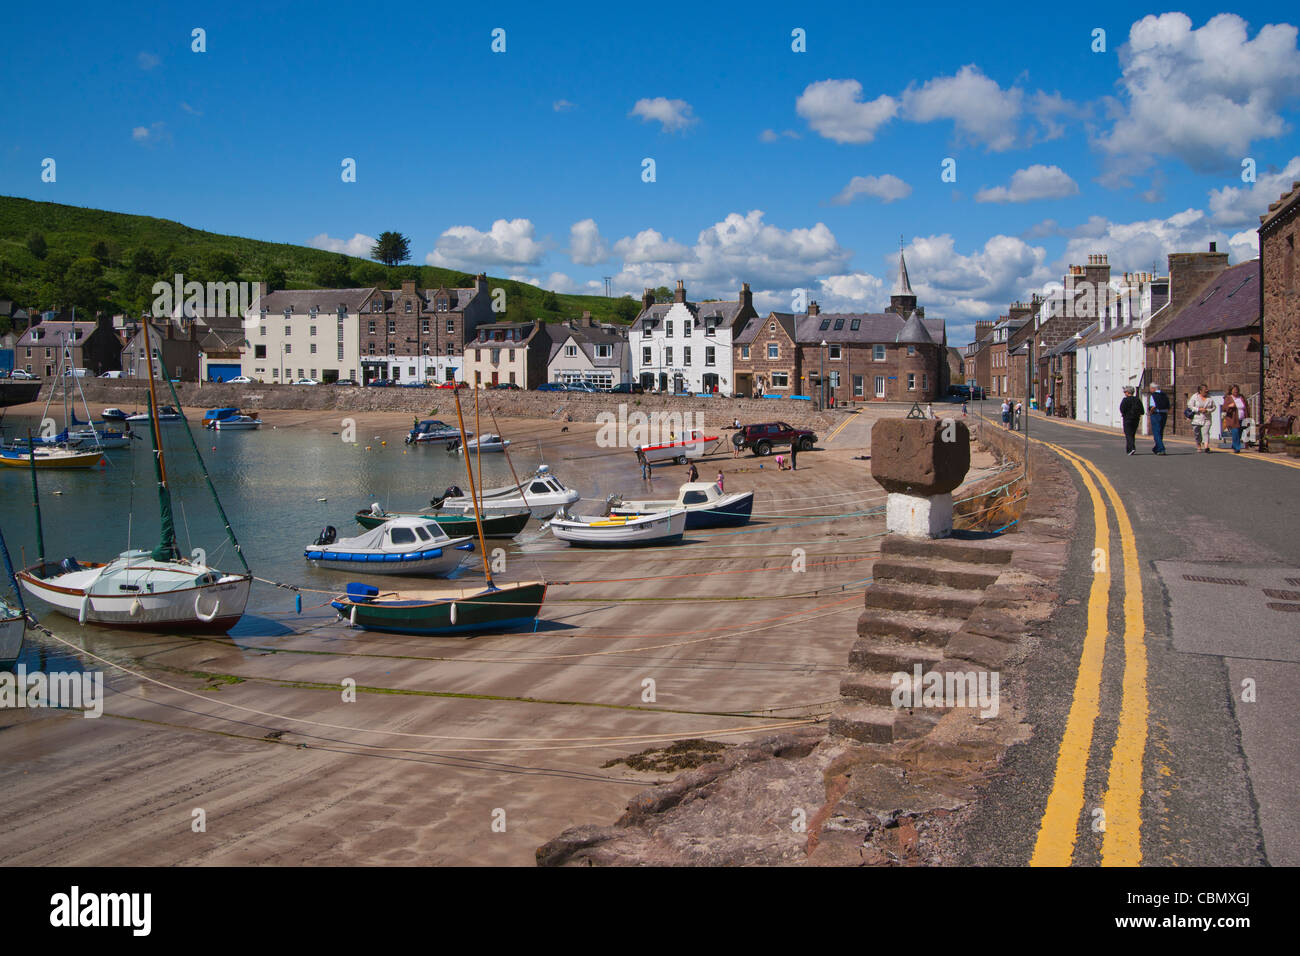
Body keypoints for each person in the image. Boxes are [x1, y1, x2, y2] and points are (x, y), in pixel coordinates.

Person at [1188, 384, 1216, 453]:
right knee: (1197, 434)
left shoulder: (1210, 398)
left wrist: (1207, 410)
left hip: (1206, 418)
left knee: (1205, 432)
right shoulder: (1195, 397)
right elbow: (1190, 406)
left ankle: (1206, 447)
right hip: (1196, 418)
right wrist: (1198, 409)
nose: (1206, 392)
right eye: (1205, 391)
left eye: (1207, 391)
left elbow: (1214, 407)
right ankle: (1198, 445)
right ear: (1200, 391)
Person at [1119, 386, 1144, 455]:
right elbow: (1142, 411)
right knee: (1132, 434)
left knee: (1128, 434)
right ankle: (1129, 450)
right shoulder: (1137, 400)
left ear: (1127, 392)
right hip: (1136, 419)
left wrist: (1125, 413)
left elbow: (1122, 409)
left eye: (1125, 392)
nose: (1124, 393)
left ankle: (1132, 448)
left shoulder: (1125, 400)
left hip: (1127, 419)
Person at [1222, 384, 1246, 453]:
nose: (1236, 391)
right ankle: (1237, 448)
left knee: (1239, 433)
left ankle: (1234, 444)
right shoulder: (1228, 398)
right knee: (1235, 432)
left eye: (1237, 390)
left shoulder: (1241, 397)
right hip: (1233, 419)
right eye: (1234, 390)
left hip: (1242, 418)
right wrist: (1230, 406)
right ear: (1231, 391)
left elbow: (1246, 406)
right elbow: (1224, 408)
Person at [1147, 383, 1170, 455]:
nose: (1150, 390)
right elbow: (1169, 405)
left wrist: (1150, 412)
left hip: (1156, 414)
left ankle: (1161, 448)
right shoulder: (1164, 395)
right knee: (1160, 432)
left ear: (1153, 388)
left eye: (1150, 388)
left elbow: (1153, 406)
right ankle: (1156, 448)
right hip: (1164, 414)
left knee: (1156, 432)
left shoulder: (1153, 395)